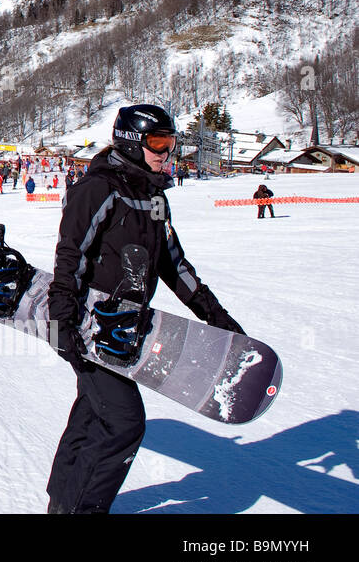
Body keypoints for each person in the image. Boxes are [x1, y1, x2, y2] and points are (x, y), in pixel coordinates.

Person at [47, 103, 244, 514]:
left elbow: (174, 264)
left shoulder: (153, 197)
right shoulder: (98, 188)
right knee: (123, 422)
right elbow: (71, 255)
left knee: (92, 413)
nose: (166, 152)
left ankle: (63, 502)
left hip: (125, 329)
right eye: (158, 143)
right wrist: (62, 317)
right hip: (88, 324)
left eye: (170, 143)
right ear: (133, 143)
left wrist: (216, 317)